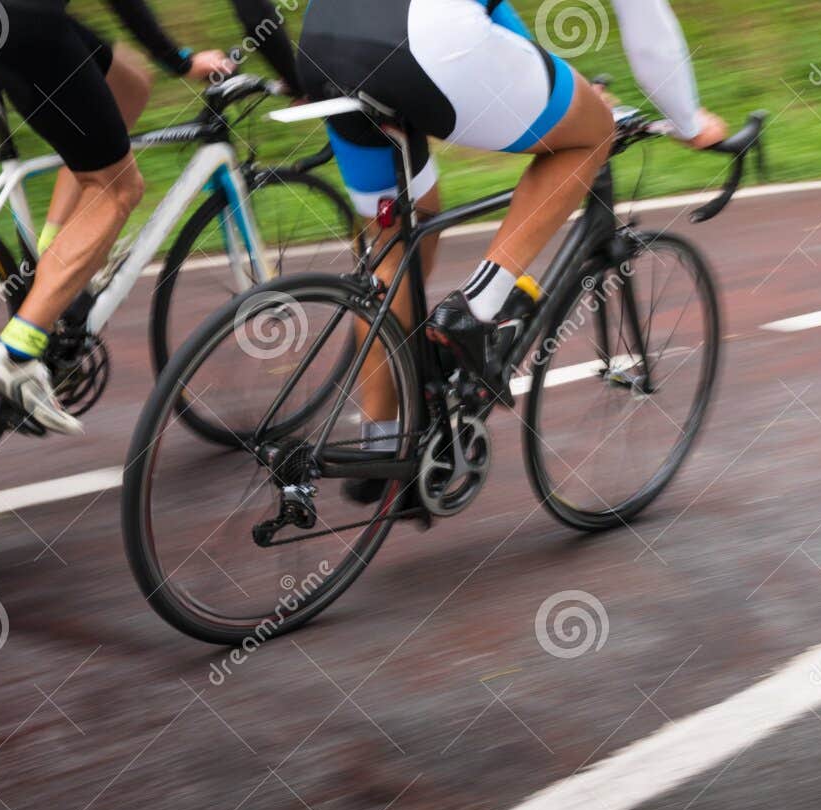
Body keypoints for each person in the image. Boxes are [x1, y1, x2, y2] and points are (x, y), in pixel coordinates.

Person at [296, 0, 728, 501]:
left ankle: (380, 446)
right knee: (591, 134)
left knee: (401, 240)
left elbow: (499, 33)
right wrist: (688, 119)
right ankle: (475, 308)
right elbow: (644, 17)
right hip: (426, 44)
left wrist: (561, 82)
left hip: (326, 44)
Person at [0, 0, 303, 435]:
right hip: (20, 20)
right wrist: (185, 61)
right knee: (119, 188)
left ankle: (56, 257)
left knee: (128, 81)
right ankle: (18, 354)